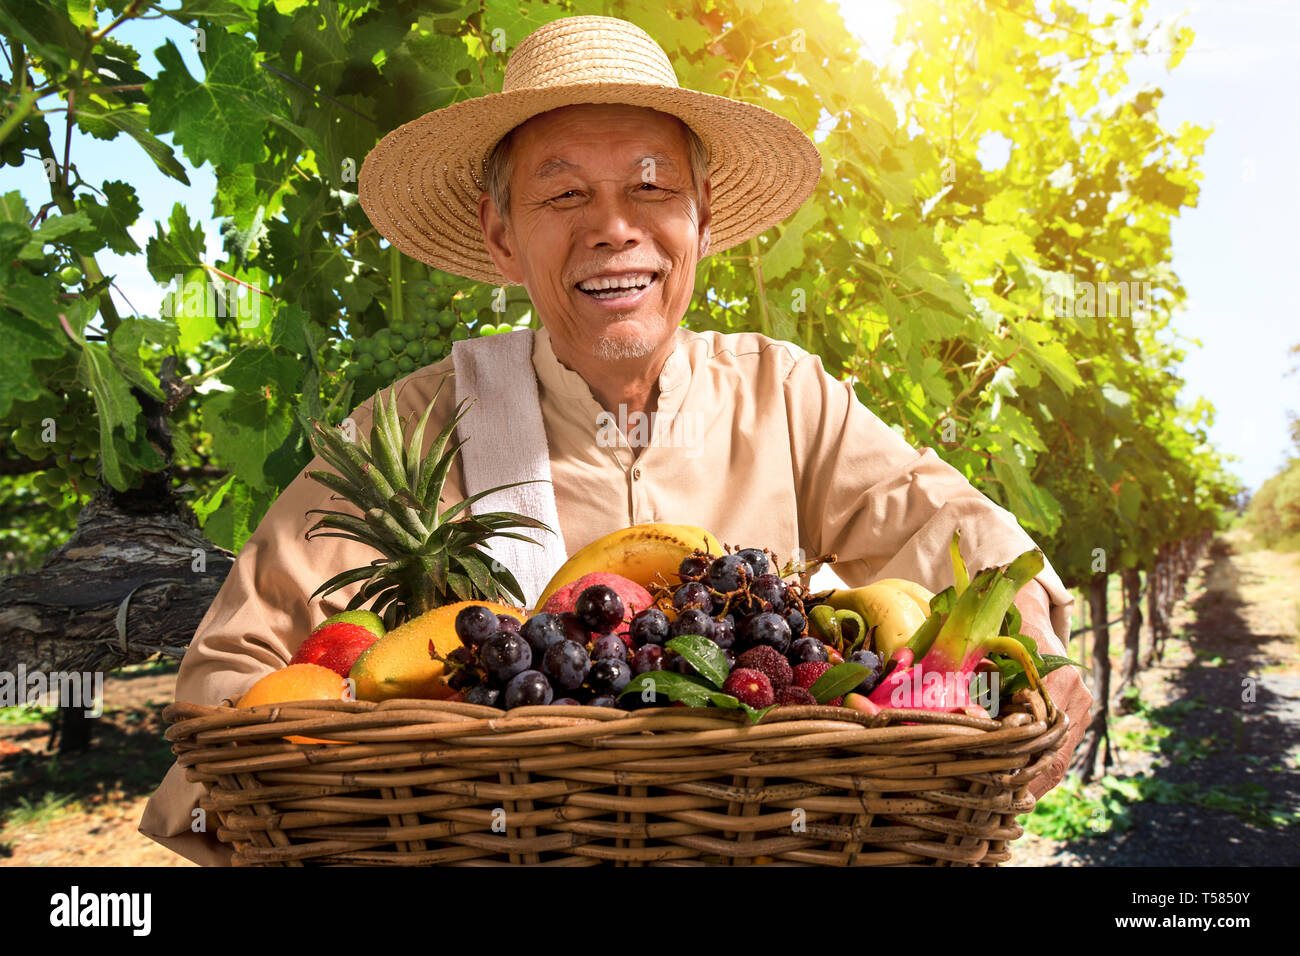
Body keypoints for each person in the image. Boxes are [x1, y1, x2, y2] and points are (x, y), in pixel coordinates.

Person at [140, 15, 1092, 866]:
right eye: (562, 198)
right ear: (501, 234)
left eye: (652, 188)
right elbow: (226, 689)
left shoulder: (784, 394)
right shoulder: (410, 432)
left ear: (702, 220)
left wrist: (1036, 640)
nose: (613, 230)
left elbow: (946, 527)